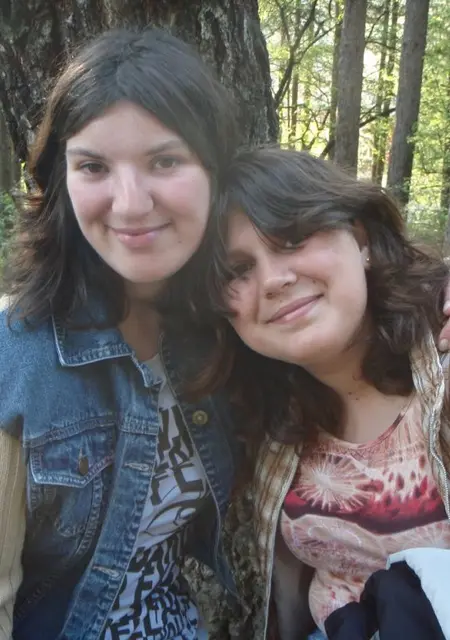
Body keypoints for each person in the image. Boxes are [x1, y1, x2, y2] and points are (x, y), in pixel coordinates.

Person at [0, 27, 242, 640]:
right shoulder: (15, 361)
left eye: (165, 161)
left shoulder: (235, 325)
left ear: (215, 170)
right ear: (61, 180)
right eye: (93, 166)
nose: (130, 204)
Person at [196, 147, 450, 639]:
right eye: (236, 271)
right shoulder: (256, 415)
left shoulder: (440, 360)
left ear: (361, 238)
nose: (274, 280)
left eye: (293, 239)